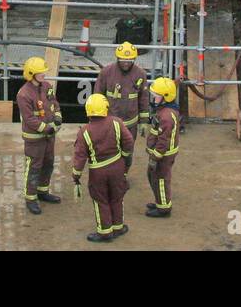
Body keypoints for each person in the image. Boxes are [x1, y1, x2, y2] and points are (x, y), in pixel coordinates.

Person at [72, 93, 133, 243]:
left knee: (101, 201)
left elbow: (80, 156)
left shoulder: (84, 131)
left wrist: (76, 175)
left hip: (98, 172)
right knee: (117, 197)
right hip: (118, 167)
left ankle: (105, 232)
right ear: (106, 107)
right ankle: (118, 227)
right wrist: (124, 158)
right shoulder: (116, 122)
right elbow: (129, 141)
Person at [16, 56, 62, 214]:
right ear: (31, 74)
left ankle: (42, 192)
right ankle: (30, 198)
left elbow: (54, 104)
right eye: (41, 72)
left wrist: (57, 118)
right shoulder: (23, 94)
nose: (44, 75)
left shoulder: (46, 86)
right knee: (34, 167)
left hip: (48, 137)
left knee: (48, 163)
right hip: (34, 140)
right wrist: (46, 128)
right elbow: (29, 119)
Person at [95, 41, 149, 166]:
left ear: (134, 59)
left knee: (127, 151)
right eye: (123, 59)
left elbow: (144, 98)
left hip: (130, 124)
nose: (126, 62)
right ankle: (112, 176)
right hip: (109, 123)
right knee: (108, 150)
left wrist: (144, 122)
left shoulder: (140, 74)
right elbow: (97, 97)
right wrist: (96, 120)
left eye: (129, 60)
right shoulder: (106, 72)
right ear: (117, 58)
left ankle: (123, 176)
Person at [144, 76, 180, 218]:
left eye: (155, 96)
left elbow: (163, 140)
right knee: (152, 176)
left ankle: (164, 209)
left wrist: (155, 156)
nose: (153, 99)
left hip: (163, 155)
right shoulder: (165, 110)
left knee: (160, 179)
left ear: (165, 97)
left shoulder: (166, 116)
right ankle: (160, 202)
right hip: (160, 153)